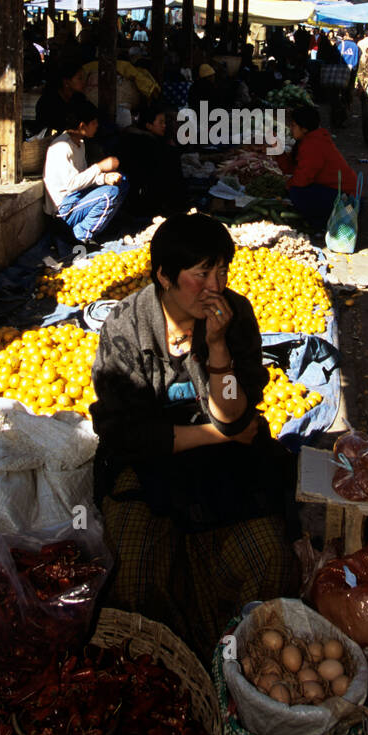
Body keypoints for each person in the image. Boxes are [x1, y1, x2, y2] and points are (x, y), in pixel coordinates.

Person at [91, 213, 299, 662]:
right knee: (137, 574)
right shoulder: (126, 328)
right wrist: (218, 435)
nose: (215, 284)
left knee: (271, 560)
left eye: (221, 270)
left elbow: (236, 411)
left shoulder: (235, 316)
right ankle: (161, 664)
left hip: (220, 468)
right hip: (147, 469)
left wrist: (219, 349)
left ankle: (232, 665)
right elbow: (129, 436)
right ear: (164, 275)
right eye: (201, 273)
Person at [43, 98, 127, 247]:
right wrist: (100, 167)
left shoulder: (80, 144)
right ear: (82, 126)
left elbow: (84, 177)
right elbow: (72, 184)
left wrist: (104, 178)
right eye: (94, 123)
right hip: (63, 209)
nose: (97, 126)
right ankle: (80, 235)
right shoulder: (61, 147)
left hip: (77, 197)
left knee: (123, 182)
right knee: (110, 194)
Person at [276, 105, 357, 231]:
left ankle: (322, 223)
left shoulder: (313, 144)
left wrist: (287, 185)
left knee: (297, 192)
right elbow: (291, 168)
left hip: (345, 196)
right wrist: (277, 150)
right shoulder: (308, 140)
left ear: (304, 128)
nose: (290, 129)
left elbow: (302, 180)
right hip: (333, 189)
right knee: (294, 189)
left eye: (293, 125)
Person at [116, 102, 188, 219]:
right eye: (160, 122)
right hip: (145, 201)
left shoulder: (146, 138)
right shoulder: (148, 143)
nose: (164, 125)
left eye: (165, 122)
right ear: (149, 125)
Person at [35, 55, 88, 135]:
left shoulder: (79, 98)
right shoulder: (48, 101)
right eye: (79, 78)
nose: (84, 82)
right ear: (66, 82)